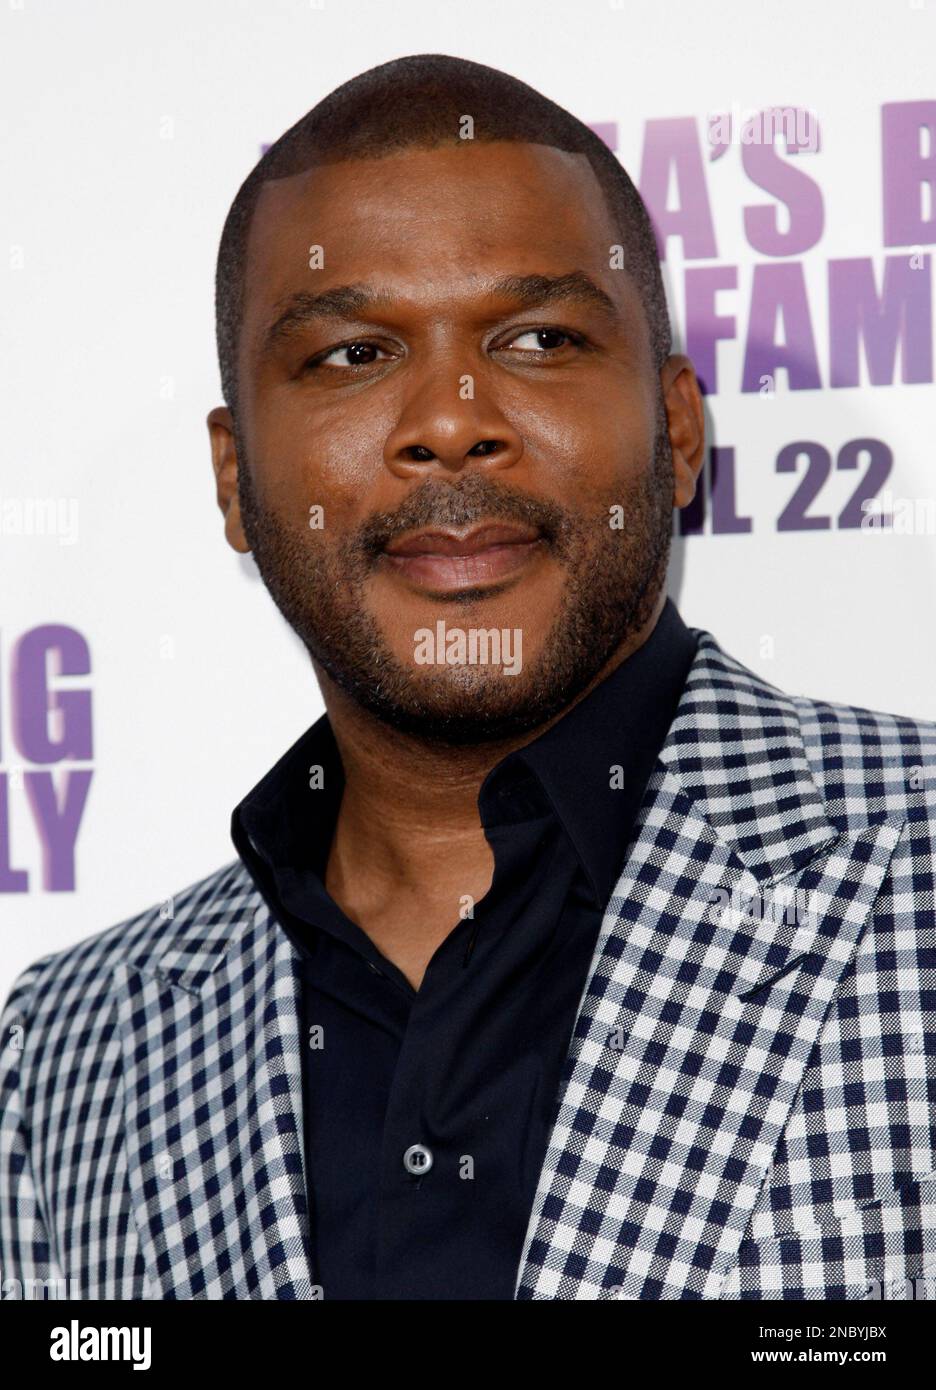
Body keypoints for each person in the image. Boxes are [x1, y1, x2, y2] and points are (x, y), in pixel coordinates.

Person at [2, 53, 933, 1302]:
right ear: (234, 479)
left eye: (539, 338)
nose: (450, 418)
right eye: (349, 355)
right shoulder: (69, 1056)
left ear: (678, 430)